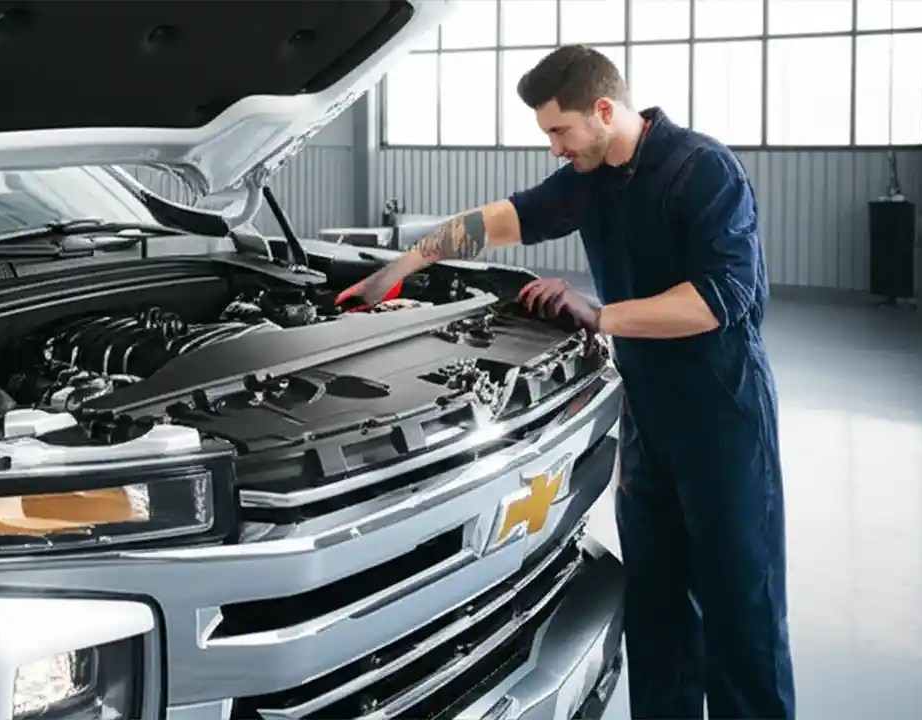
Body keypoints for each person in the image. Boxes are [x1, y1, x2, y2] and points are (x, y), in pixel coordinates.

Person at [336, 45, 795, 719]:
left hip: (723, 416)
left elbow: (718, 298)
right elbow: (496, 221)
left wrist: (600, 314)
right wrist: (399, 265)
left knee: (741, 613)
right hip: (647, 419)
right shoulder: (592, 178)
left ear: (603, 110)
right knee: (657, 608)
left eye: (559, 130)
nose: (554, 147)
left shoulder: (703, 170)